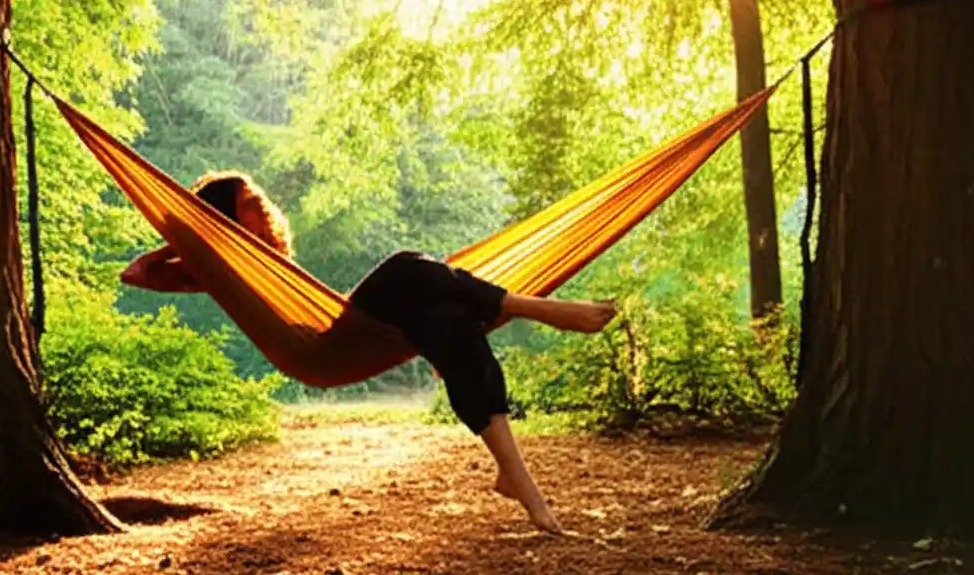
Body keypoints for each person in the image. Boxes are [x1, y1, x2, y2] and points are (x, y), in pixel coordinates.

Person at [122, 171, 618, 534]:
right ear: (226, 214)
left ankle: (519, 482)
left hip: (351, 335)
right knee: (405, 267)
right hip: (320, 350)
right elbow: (136, 273)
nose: (263, 204)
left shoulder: (266, 261)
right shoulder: (213, 266)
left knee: (449, 325)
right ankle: (532, 308)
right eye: (250, 199)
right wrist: (191, 232)